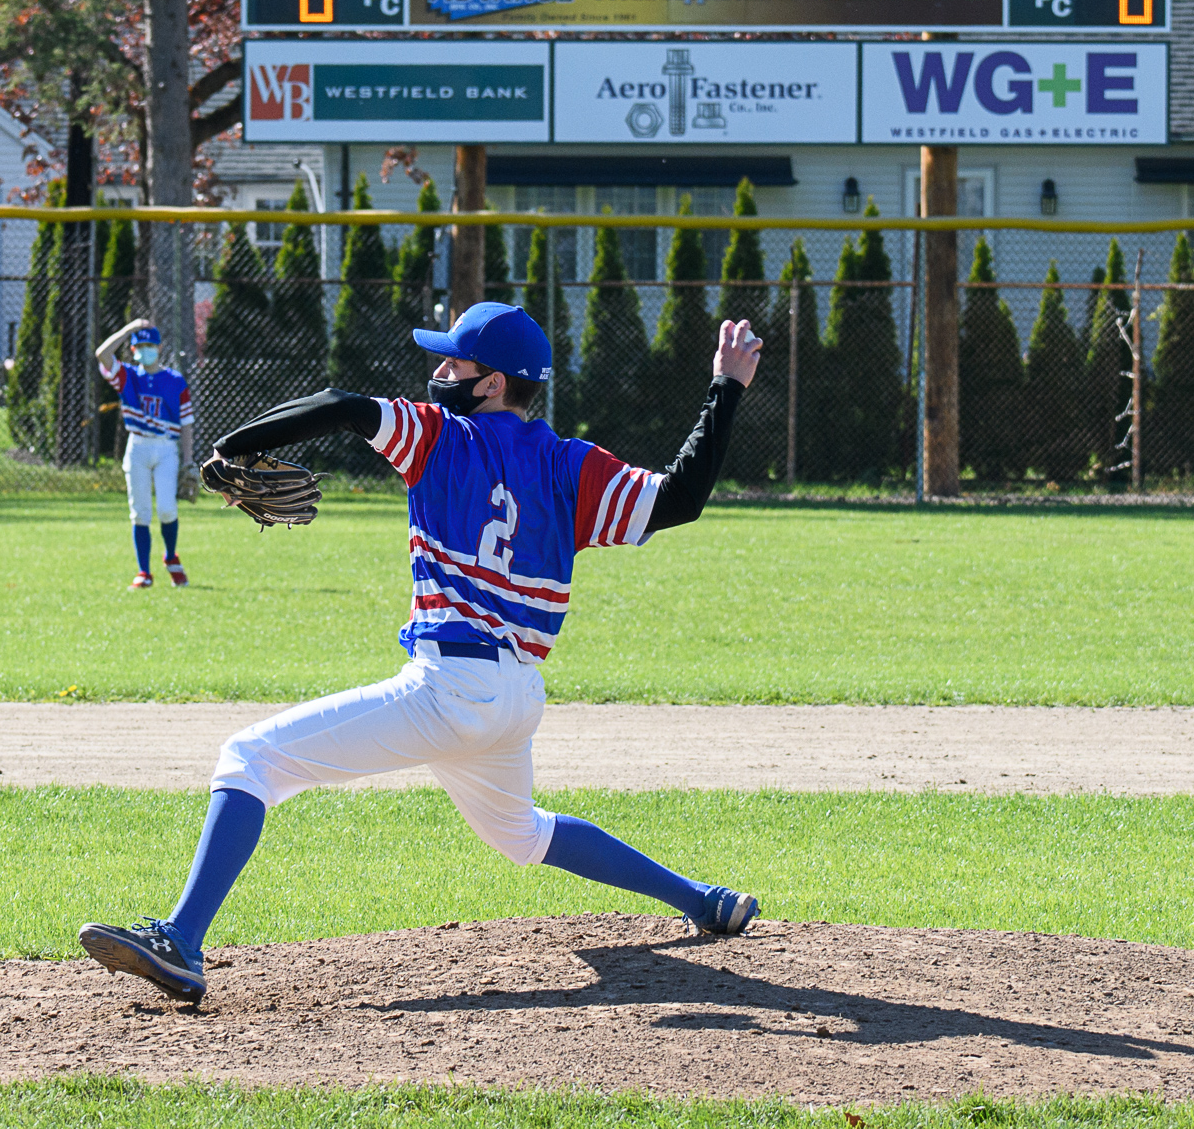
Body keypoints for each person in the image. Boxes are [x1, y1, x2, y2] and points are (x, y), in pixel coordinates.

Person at [79, 301, 763, 1004]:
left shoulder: (440, 435)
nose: (438, 372)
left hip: (449, 688)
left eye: (453, 363)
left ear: (491, 383)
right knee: (521, 833)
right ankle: (702, 899)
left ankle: (181, 942)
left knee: (248, 759)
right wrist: (725, 387)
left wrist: (234, 446)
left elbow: (343, 406)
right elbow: (679, 497)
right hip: (517, 698)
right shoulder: (572, 463)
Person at [95, 318, 194, 590]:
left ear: (159, 348)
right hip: (137, 445)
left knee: (166, 508)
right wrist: (127, 330)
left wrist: (188, 459)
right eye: (140, 345)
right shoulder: (128, 375)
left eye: (150, 344)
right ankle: (143, 572)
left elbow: (186, 423)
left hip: (165, 447)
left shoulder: (174, 381)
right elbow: (102, 354)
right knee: (139, 513)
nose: (145, 349)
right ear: (134, 349)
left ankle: (171, 556)